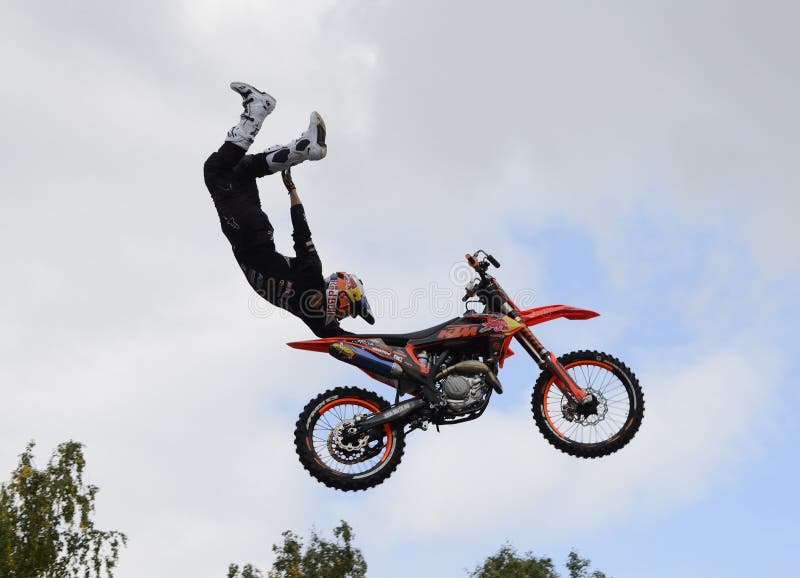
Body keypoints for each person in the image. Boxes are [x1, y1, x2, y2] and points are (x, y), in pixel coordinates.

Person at [203, 82, 374, 337]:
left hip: (253, 233)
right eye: (346, 307)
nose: (341, 313)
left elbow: (343, 338)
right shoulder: (312, 280)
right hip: (248, 233)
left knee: (237, 169)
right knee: (223, 170)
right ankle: (288, 133)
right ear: (338, 291)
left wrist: (292, 191)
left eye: (347, 312)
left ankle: (301, 145)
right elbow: (301, 231)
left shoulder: (316, 314)